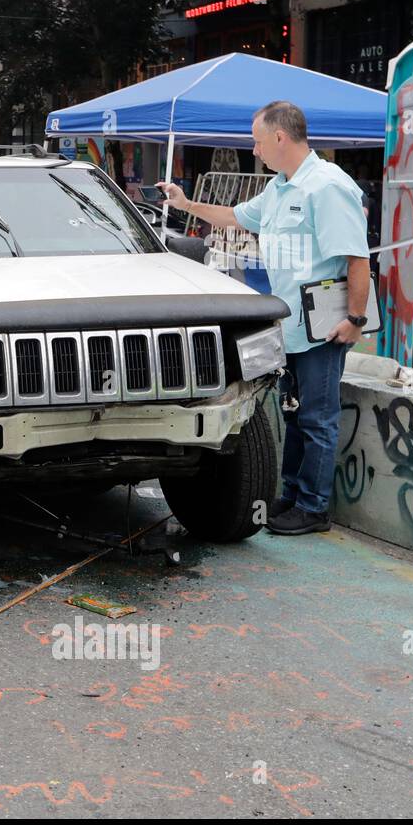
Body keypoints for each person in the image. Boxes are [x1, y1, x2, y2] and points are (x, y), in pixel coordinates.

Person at [159, 100, 370, 536]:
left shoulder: (327, 186)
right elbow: (236, 217)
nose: (254, 150)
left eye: (257, 142)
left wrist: (355, 319)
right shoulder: (279, 187)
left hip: (323, 328)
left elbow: (357, 258)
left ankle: (313, 508)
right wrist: (186, 203)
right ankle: (291, 497)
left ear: (279, 137)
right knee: (294, 414)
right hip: (288, 326)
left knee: (317, 419)